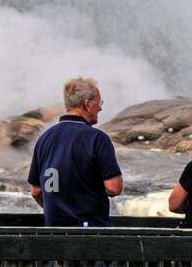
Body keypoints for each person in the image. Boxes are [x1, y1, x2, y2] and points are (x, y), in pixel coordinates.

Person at [27, 77, 123, 226]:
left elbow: (35, 191)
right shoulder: (97, 138)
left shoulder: (44, 139)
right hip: (91, 233)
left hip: (52, 232)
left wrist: (59, 210)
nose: (100, 108)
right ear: (88, 104)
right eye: (99, 102)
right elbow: (114, 187)